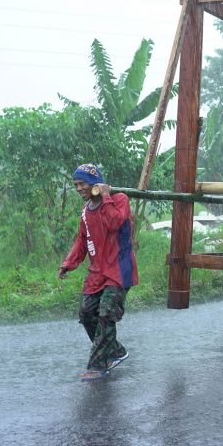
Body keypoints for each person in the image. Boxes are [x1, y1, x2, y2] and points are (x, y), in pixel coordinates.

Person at [59, 163, 139, 382]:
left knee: (106, 314)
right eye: (76, 185)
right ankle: (116, 351)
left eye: (82, 184)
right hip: (97, 272)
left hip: (119, 269)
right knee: (86, 313)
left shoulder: (119, 199)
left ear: (95, 183)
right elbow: (82, 242)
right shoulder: (86, 212)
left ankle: (97, 365)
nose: (78, 189)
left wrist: (105, 196)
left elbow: (114, 222)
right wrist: (68, 263)